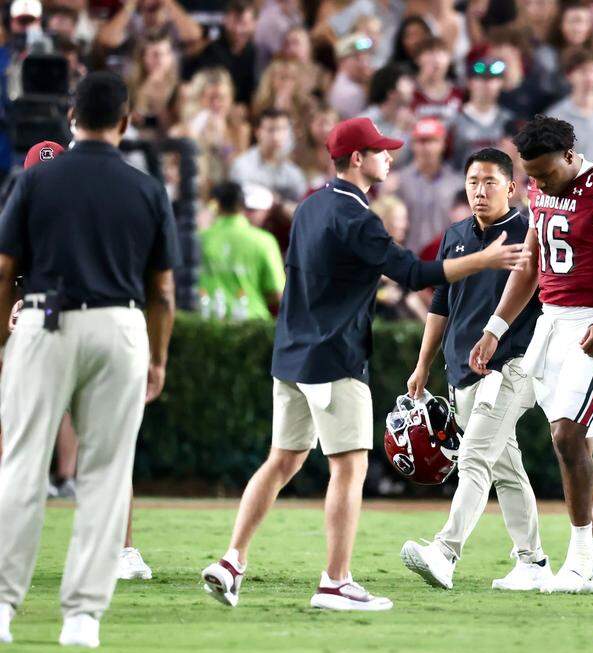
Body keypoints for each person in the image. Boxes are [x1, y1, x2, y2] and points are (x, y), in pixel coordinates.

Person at [200, 118, 528, 612]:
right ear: (358, 158)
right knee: (349, 468)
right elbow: (415, 273)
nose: (390, 157)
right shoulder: (358, 217)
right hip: (335, 358)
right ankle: (335, 582)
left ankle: (230, 561)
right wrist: (483, 261)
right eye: (381, 150)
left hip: (290, 355)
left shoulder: (310, 205)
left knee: (282, 460)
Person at [0, 72, 179, 647]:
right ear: (125, 121)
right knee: (105, 475)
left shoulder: (35, 180)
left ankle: (2, 610)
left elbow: (4, 271)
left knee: (22, 466)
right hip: (120, 324)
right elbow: (165, 292)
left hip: (43, 318)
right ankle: (81, 617)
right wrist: (158, 358)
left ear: (70, 118)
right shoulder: (147, 189)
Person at [468, 116, 593, 594]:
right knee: (575, 442)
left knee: (567, 434)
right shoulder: (540, 187)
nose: (538, 183)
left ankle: (579, 558)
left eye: (546, 173)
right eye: (531, 175)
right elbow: (531, 263)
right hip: (551, 322)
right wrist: (495, 327)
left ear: (571, 156)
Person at [400, 148, 550, 591]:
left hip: (512, 366)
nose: (479, 191)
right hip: (462, 371)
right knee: (505, 467)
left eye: (489, 182)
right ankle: (534, 562)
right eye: (472, 182)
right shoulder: (456, 235)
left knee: (474, 458)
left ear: (511, 187)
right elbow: (440, 304)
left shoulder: (529, 231)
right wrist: (423, 364)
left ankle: (445, 553)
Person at [199, 182, 286, 321]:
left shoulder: (200, 239)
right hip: (252, 325)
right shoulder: (264, 241)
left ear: (218, 206)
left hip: (208, 322)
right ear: (242, 206)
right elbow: (277, 294)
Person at [394, 117, 465, 256]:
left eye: (432, 140)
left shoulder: (457, 183)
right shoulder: (400, 182)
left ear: (443, 143)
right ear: (413, 144)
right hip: (408, 260)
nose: (426, 147)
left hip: (446, 261)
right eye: (420, 141)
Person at [229, 109, 308, 205]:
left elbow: (303, 203)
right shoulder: (242, 165)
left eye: (283, 129)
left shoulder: (292, 170)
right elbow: (241, 200)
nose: (276, 136)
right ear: (257, 132)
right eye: (271, 130)